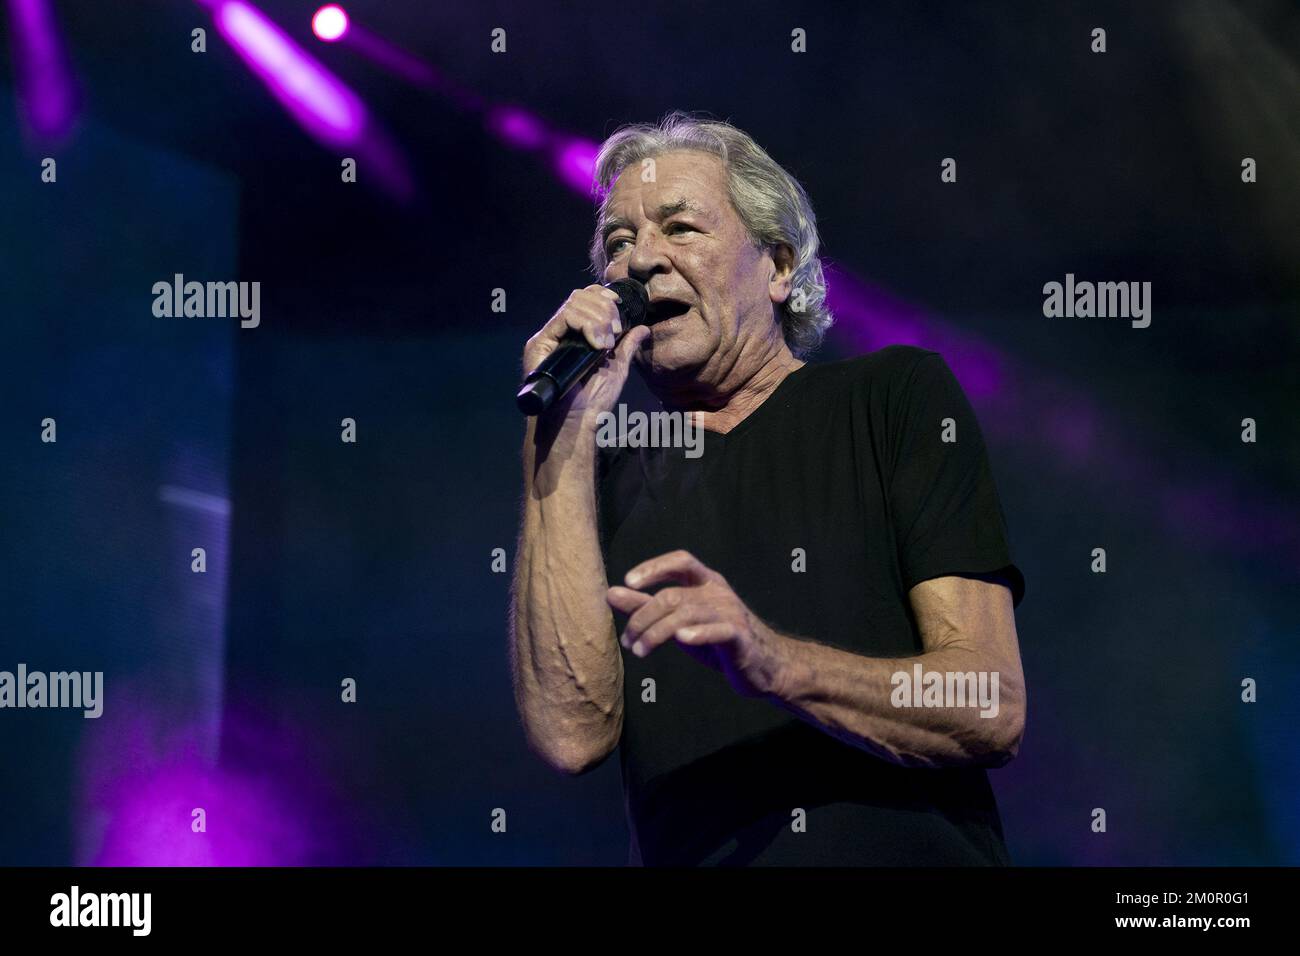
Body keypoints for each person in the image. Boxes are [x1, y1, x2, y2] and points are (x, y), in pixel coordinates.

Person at [509, 111, 1026, 865]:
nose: (639, 263)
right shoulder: (598, 474)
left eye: (679, 228)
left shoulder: (890, 399)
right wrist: (555, 431)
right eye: (617, 244)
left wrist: (772, 663)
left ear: (778, 266)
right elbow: (569, 735)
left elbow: (990, 704)